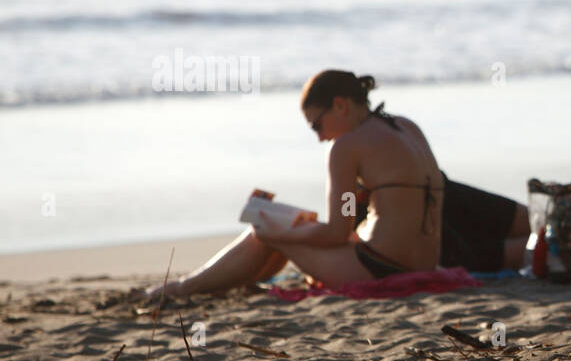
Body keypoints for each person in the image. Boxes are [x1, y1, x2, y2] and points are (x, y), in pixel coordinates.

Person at [145, 70, 529, 298]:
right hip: (424, 259)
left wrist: (286, 229)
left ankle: (185, 288)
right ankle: (217, 284)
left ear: (342, 106)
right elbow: (361, 212)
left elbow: (335, 231)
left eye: (317, 124)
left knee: (268, 233)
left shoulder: (347, 146)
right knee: (286, 230)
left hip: (381, 267)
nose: (318, 137)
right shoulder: (406, 127)